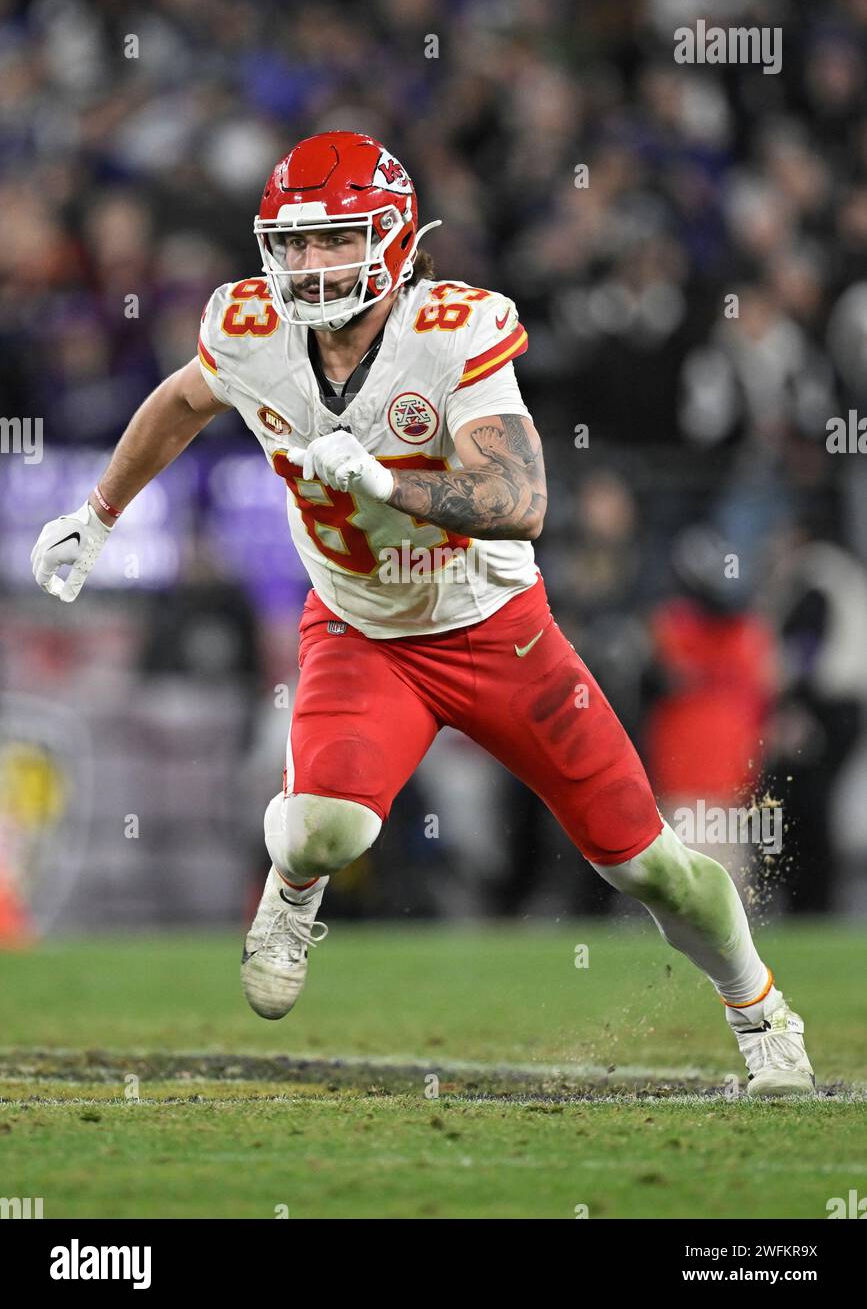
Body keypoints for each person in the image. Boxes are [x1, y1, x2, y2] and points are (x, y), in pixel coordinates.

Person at [31, 131, 814, 1096]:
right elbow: (183, 400)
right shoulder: (247, 326)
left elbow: (521, 499)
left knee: (647, 867)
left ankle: (761, 1011)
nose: (311, 266)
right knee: (323, 832)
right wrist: (98, 514)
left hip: (497, 630)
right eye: (295, 243)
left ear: (396, 239)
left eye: (336, 241)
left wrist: (389, 481)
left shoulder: (453, 330)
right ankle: (292, 891)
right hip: (362, 630)